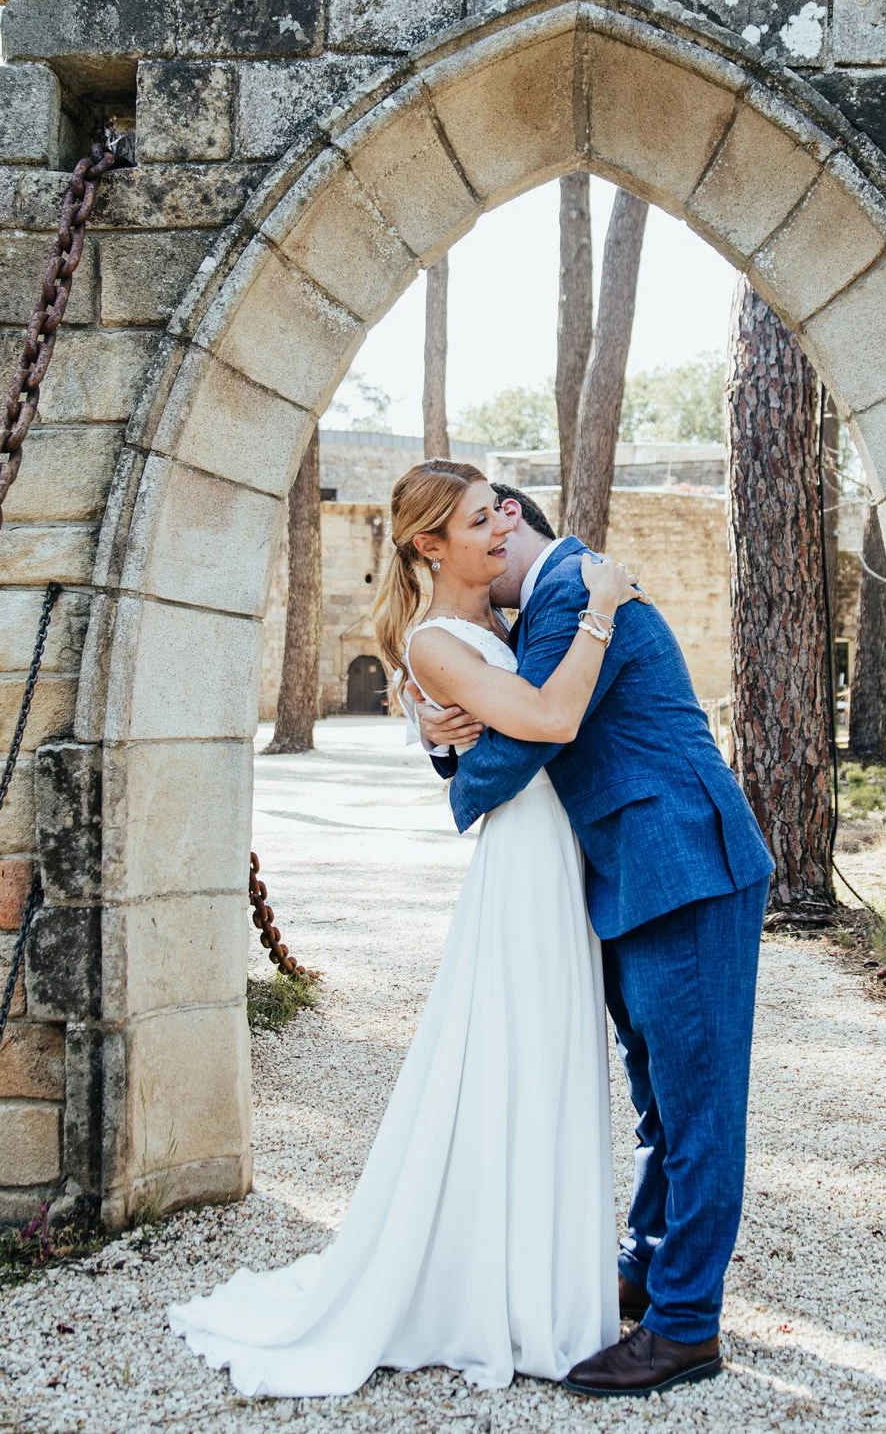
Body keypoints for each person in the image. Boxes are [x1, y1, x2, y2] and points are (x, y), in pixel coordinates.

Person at [169, 461, 647, 1396]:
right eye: (479, 521)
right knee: (517, 1055)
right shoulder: (436, 644)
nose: (503, 528)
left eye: (499, 513)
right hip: (522, 864)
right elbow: (550, 717)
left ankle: (535, 1280)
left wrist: (435, 734)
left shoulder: (491, 626)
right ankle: (500, 1296)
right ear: (430, 544)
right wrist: (604, 604)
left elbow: (504, 729)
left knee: (545, 1058)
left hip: (554, 853)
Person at [417, 469, 774, 1398]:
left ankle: (687, 1326)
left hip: (684, 866)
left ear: (514, 526)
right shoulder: (548, 603)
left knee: (696, 1108)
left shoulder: (573, 589)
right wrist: (438, 725)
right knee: (659, 1095)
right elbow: (514, 722)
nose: (487, 552)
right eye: (474, 531)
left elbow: (533, 737)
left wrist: (454, 775)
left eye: (494, 532)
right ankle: (649, 1266)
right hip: (633, 871)